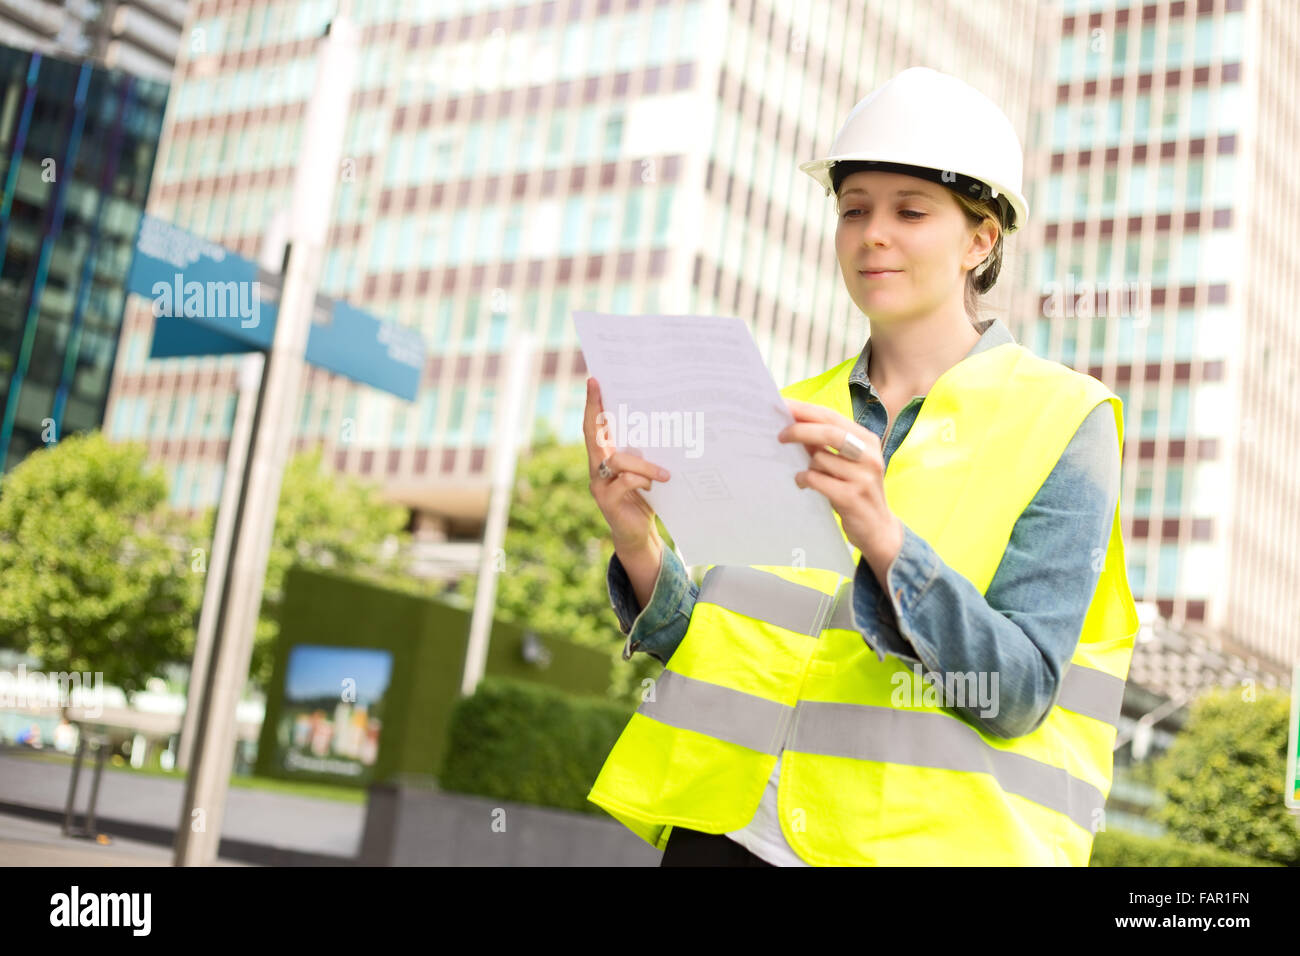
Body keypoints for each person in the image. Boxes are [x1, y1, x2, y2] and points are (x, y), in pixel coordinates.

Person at [582, 67, 1139, 866]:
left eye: (911, 211)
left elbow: (1017, 691)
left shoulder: (1064, 420)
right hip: (724, 839)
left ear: (981, 239)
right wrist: (637, 541)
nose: (873, 234)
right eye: (854, 211)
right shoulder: (784, 404)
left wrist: (885, 538)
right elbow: (714, 647)